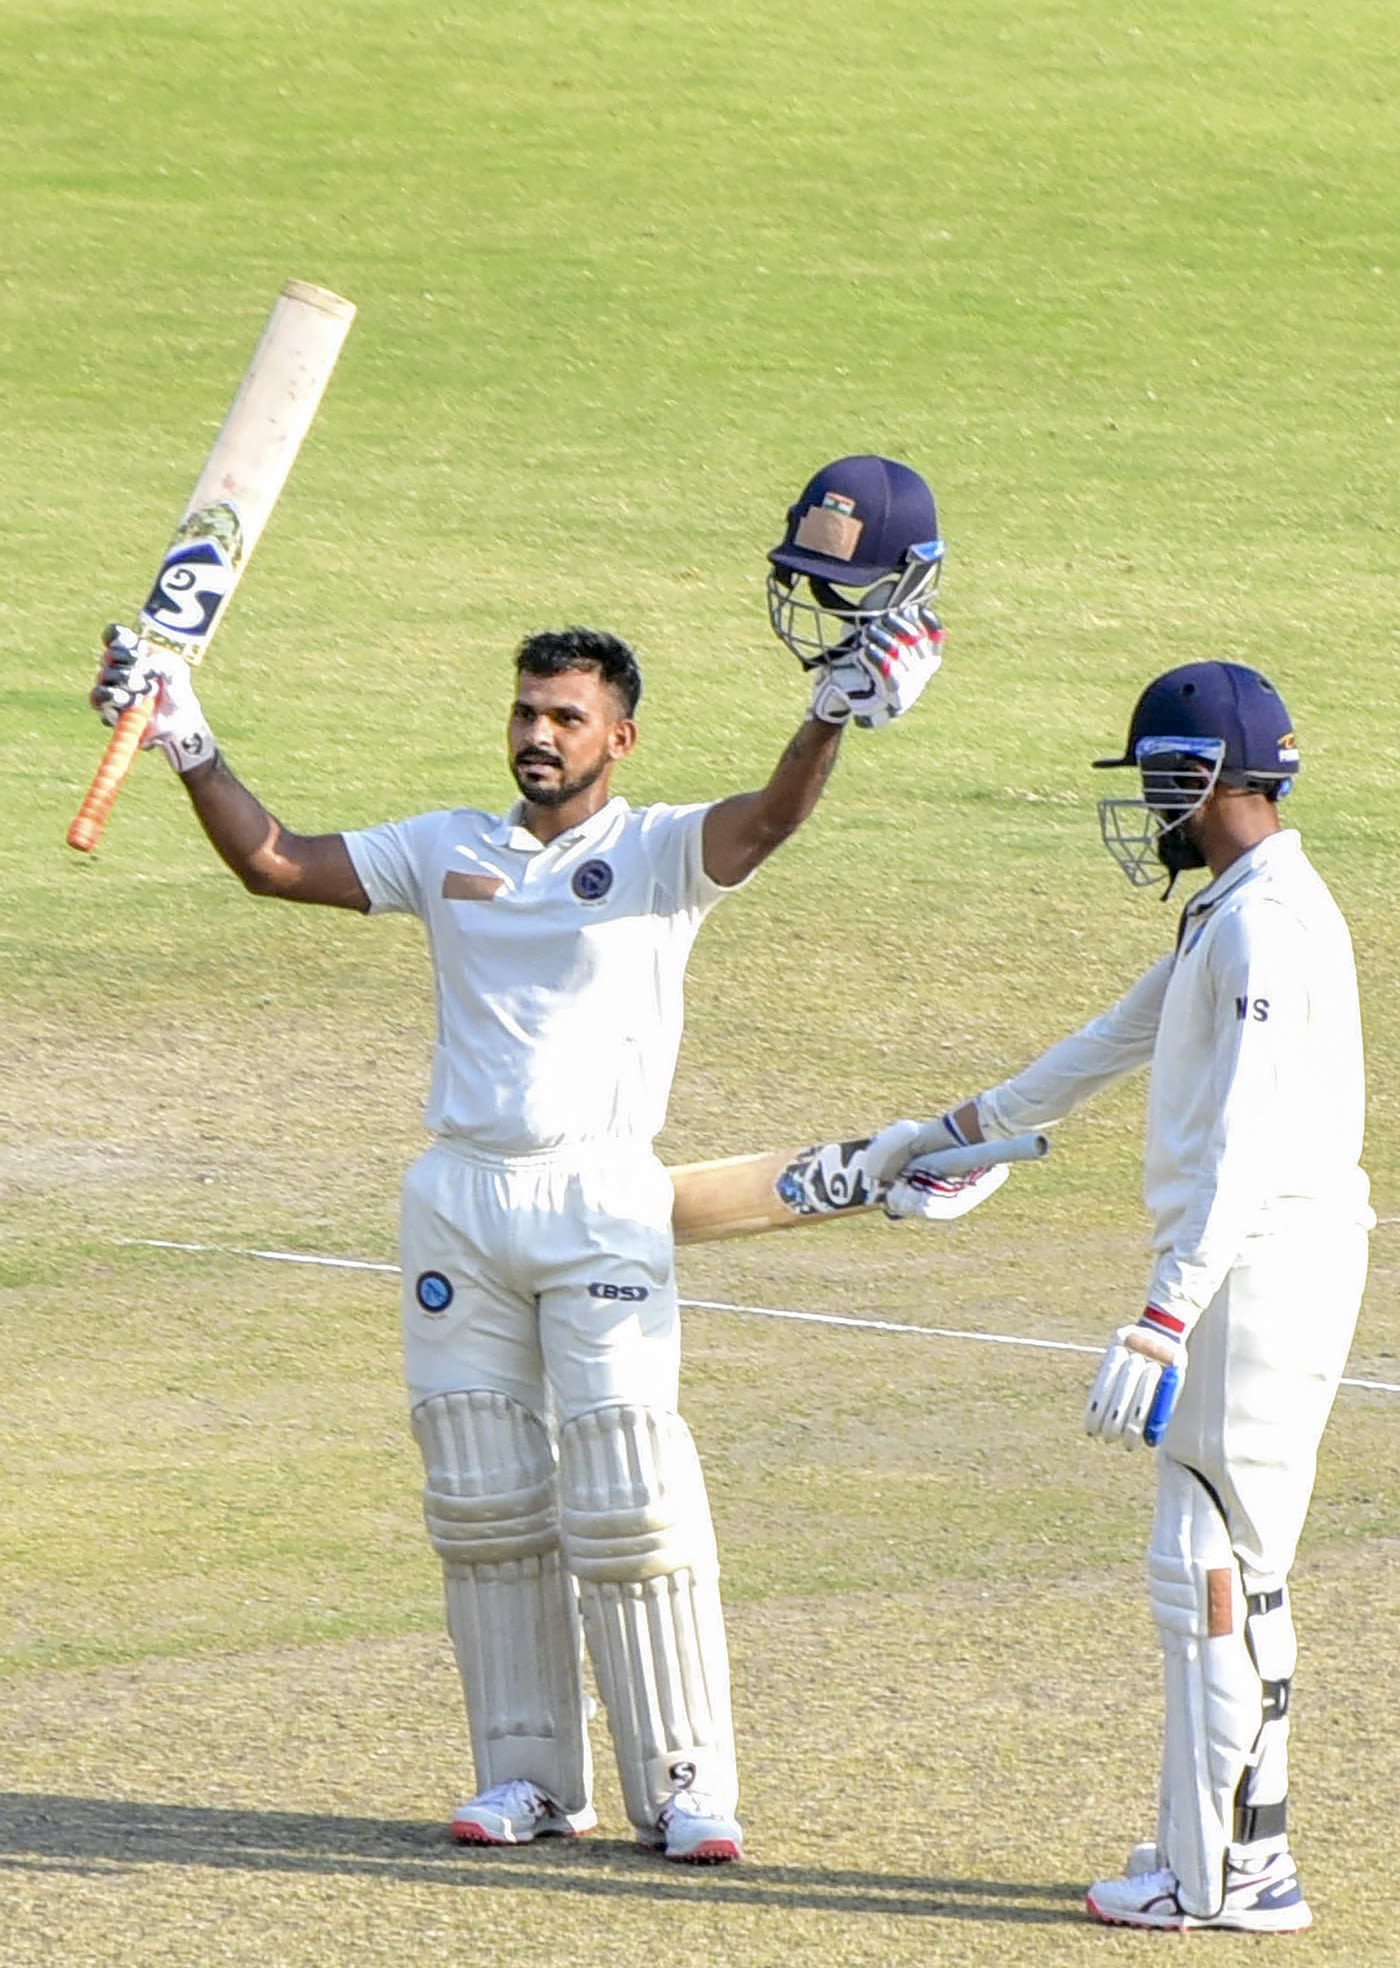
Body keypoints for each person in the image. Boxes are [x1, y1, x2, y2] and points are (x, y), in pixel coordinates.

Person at [89, 455, 948, 1863]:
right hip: (461, 1201)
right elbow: (276, 864)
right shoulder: (448, 848)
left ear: (620, 738)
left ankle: (688, 1787)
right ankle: (531, 1780)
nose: (540, 735)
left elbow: (773, 820)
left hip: (602, 1193)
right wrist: (185, 735)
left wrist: (822, 721)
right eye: (528, 712)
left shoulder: (667, 853)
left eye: (568, 717)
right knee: (483, 1497)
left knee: (625, 1489)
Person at [885, 660, 1371, 1933]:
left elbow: (1247, 1147)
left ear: (1198, 775)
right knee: (1232, 1561)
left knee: (1206, 1556)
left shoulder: (1267, 924)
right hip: (1260, 1263)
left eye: (1157, 773)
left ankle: (1215, 1878)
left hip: (1258, 1269)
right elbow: (1106, 1043)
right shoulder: (1236, 908)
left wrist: (1163, 1314)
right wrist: (939, 1134)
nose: (1147, 802)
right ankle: (1239, 1862)